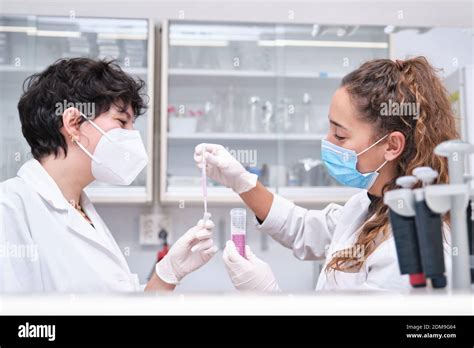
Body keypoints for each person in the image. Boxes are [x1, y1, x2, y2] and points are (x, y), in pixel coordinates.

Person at [195, 57, 457, 292]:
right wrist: (241, 181)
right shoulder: (368, 206)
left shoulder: (408, 250)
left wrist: (267, 297)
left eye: (340, 135)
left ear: (391, 146)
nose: (328, 142)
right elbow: (302, 227)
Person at [0, 58, 217, 292]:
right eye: (122, 121)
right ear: (73, 123)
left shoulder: (81, 209)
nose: (133, 136)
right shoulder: (9, 208)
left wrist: (167, 273)